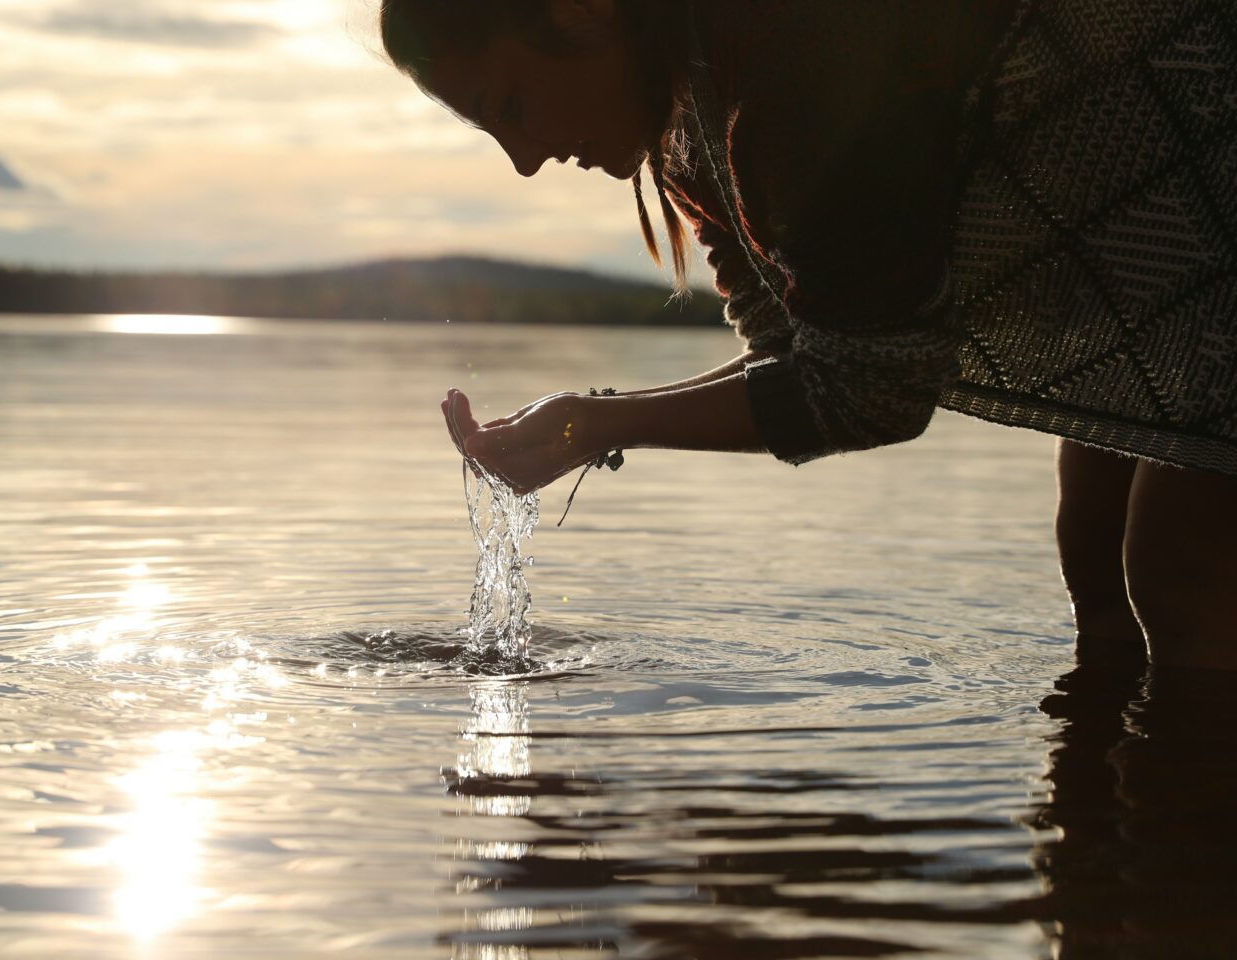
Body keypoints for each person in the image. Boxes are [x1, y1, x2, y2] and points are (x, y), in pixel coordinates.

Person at [379, 0, 1237, 670]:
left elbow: (872, 389)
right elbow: (793, 348)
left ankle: (1183, 872)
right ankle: (1112, 873)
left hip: (1208, 177)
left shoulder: (795, 63)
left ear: (582, 9)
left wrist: (602, 423)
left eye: (511, 106)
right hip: (1158, 278)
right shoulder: (691, 134)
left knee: (1181, 571)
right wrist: (589, 417)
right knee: (1094, 556)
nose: (524, 160)